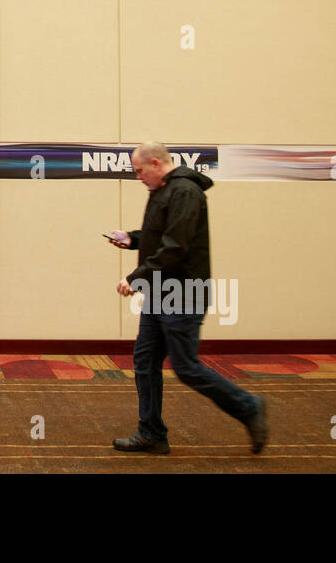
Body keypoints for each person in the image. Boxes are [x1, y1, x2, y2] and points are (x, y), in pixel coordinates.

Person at [107, 141, 267, 455]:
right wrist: (132, 239)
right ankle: (151, 433)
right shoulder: (163, 190)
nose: (137, 177)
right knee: (145, 361)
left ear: (155, 163)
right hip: (161, 290)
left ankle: (249, 407)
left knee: (186, 367)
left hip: (184, 292)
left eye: (139, 171)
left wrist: (134, 278)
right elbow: (160, 237)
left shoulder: (184, 192)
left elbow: (175, 247)